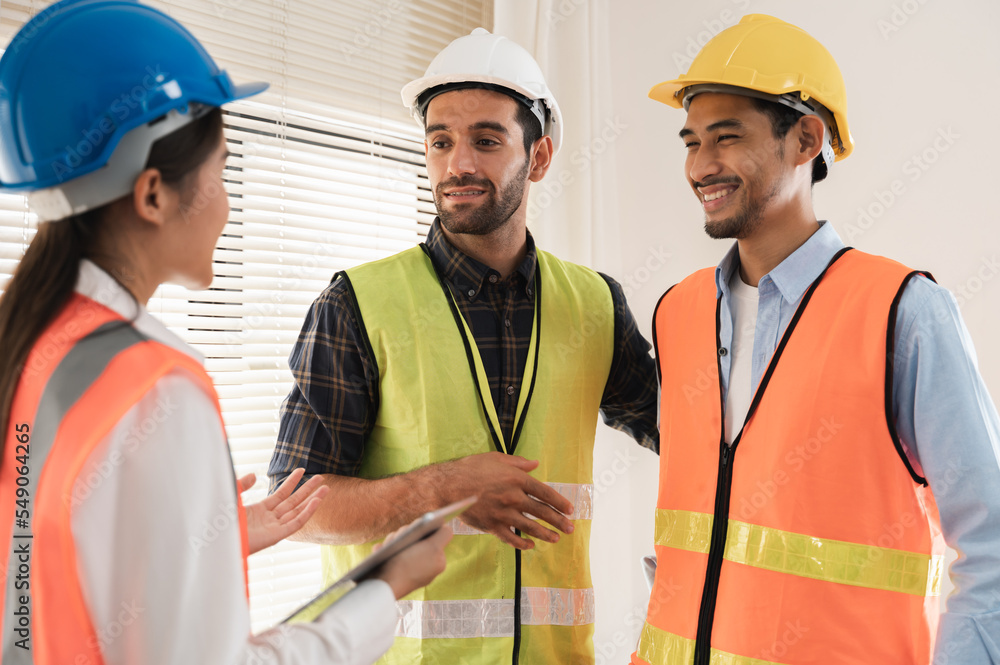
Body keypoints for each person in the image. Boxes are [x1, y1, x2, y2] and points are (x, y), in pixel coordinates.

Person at [0, 1, 449, 664]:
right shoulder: (155, 385)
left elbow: (39, 569)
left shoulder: (34, 349)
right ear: (153, 194)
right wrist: (382, 593)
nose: (229, 202)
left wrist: (199, 545)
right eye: (222, 169)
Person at [267, 28, 658, 665]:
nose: (458, 165)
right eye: (440, 141)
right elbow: (298, 510)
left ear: (538, 158)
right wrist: (442, 489)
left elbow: (694, 429)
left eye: (486, 139)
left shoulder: (594, 305)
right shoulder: (356, 304)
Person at [632, 14, 1000, 665]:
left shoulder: (903, 312)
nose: (700, 165)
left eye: (727, 138)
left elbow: (990, 542)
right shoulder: (678, 311)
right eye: (691, 142)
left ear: (806, 139)